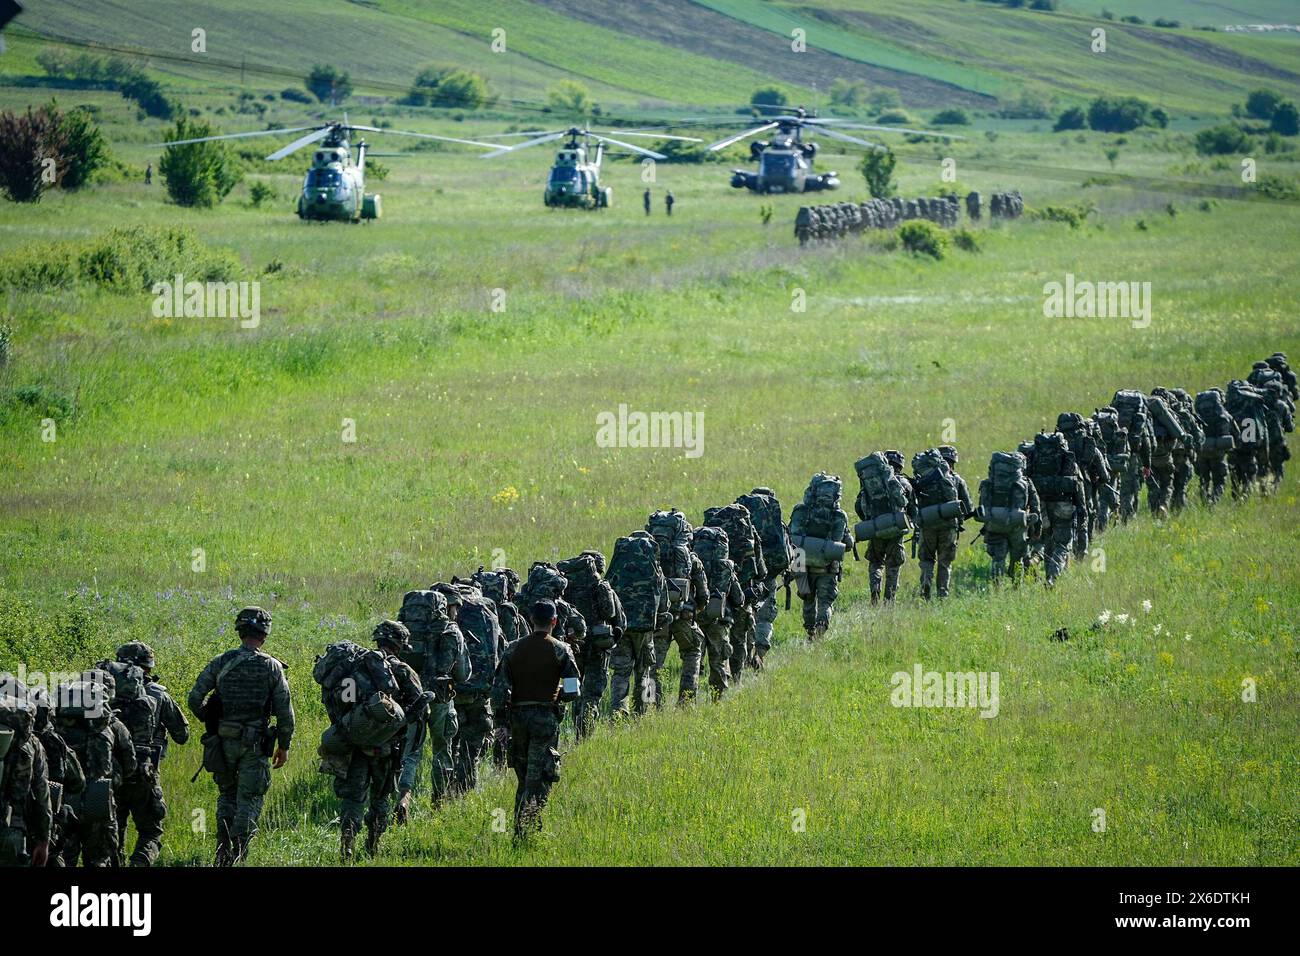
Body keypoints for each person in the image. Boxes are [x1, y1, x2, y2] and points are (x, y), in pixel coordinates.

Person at [187, 606, 294, 866]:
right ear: (264, 635)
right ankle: (237, 856)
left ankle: (221, 855)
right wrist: (284, 745)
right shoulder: (272, 667)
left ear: (239, 631)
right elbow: (285, 713)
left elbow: (194, 699)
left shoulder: (221, 662)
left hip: (222, 742)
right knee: (250, 797)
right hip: (254, 745)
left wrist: (212, 722)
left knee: (227, 794)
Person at [330, 621, 428, 861]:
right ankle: (373, 844)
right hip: (387, 747)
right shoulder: (403, 671)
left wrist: (355, 727)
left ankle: (347, 843)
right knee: (381, 797)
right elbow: (420, 712)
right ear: (400, 644)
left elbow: (342, 703)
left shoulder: (355, 668)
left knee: (353, 798)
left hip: (355, 745)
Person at [490, 600, 580, 840]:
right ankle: (528, 829)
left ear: (531, 620)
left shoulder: (512, 648)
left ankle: (522, 828)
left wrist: (501, 722)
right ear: (554, 621)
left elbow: (498, 691)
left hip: (518, 720)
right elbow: (573, 690)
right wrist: (558, 696)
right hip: (545, 720)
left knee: (523, 777)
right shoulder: (561, 650)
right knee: (541, 776)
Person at [113, 641, 188, 866]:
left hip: (107, 770)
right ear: (148, 668)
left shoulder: (101, 691)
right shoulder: (158, 694)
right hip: (144, 772)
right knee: (151, 832)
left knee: (114, 828)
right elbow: (182, 735)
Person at [396, 589, 467, 815]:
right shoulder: (450, 631)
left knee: (410, 752)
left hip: (411, 699)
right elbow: (464, 673)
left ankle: (404, 798)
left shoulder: (403, 631)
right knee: (441, 749)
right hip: (441, 699)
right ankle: (438, 802)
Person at [647, 510, 708, 705]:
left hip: (659, 619)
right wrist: (695, 609)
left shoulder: (649, 556)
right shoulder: (689, 557)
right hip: (684, 615)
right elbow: (703, 592)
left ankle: (652, 703)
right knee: (693, 650)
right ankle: (686, 702)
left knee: (653, 663)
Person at [790, 471, 853, 635]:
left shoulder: (800, 510)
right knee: (825, 602)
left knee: (807, 599)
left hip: (800, 565)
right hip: (828, 568)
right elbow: (848, 544)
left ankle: (810, 632)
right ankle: (821, 627)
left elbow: (790, 537)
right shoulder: (839, 515)